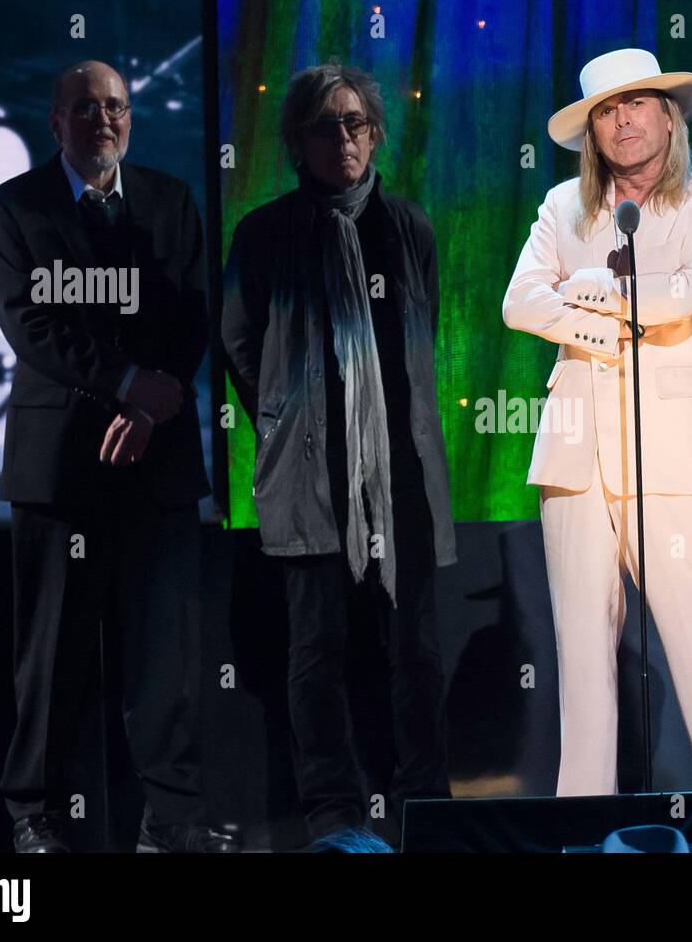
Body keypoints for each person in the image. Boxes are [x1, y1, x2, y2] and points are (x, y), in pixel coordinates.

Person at [0, 60, 235, 852]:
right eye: (86, 108)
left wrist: (152, 406)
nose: (104, 121)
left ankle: (174, 824)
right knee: (51, 657)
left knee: (166, 661)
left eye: (117, 107)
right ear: (55, 121)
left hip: (153, 463)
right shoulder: (12, 208)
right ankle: (37, 817)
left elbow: (196, 311)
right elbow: (32, 327)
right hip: (59, 465)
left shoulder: (170, 200)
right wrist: (127, 385)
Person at [503, 48, 692, 796]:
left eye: (637, 104)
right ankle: (581, 820)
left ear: (668, 115)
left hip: (673, 459)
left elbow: (681, 297)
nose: (623, 120)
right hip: (575, 454)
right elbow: (520, 304)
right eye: (607, 111)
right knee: (582, 653)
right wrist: (607, 323)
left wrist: (585, 288)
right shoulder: (562, 206)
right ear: (592, 131)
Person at [222, 63, 456, 848]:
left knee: (414, 650)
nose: (345, 138)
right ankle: (333, 815)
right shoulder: (264, 234)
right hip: (309, 477)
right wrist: (292, 418)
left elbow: (422, 344)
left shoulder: (409, 227)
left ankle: (425, 804)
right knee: (315, 653)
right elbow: (239, 343)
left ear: (376, 132)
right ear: (298, 140)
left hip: (404, 480)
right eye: (327, 125)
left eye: (356, 122)